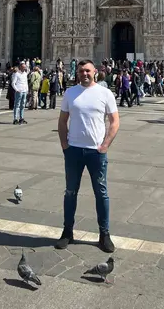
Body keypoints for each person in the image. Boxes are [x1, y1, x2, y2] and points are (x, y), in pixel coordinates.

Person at [56, 59, 120, 253]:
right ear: (77, 73)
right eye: (81, 71)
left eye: (88, 71)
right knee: (70, 192)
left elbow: (115, 121)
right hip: (74, 150)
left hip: (96, 152)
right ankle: (67, 231)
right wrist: (65, 145)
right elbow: (62, 120)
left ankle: (104, 234)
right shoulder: (70, 92)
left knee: (101, 193)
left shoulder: (105, 93)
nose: (84, 74)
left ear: (95, 72)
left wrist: (105, 145)